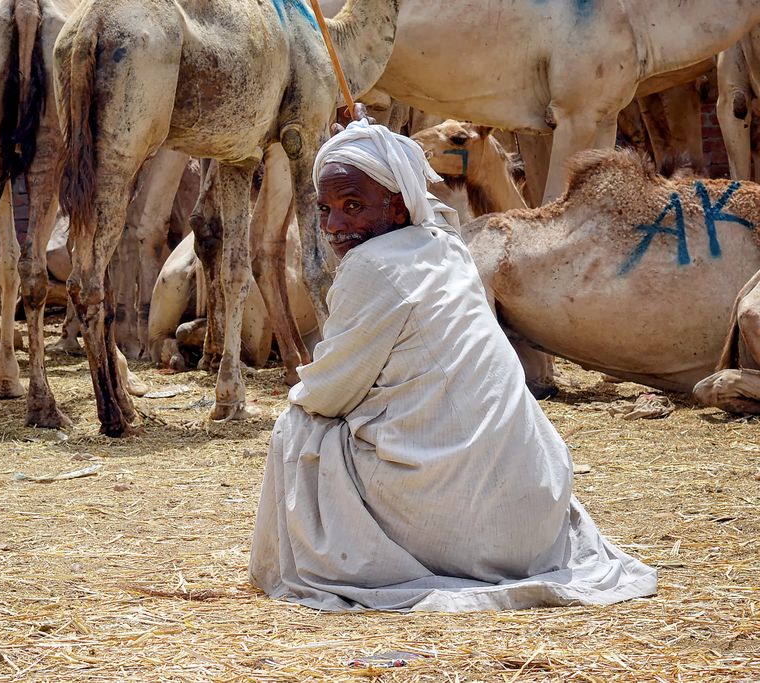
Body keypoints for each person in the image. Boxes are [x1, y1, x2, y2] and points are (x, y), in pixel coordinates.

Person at [248, 117, 657, 612]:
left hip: (470, 533)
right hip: (536, 524)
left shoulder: (370, 265)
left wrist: (310, 396)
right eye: (326, 210)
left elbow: (328, 392)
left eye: (353, 206)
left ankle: (348, 563)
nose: (335, 226)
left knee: (298, 424)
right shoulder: (447, 245)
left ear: (397, 207)